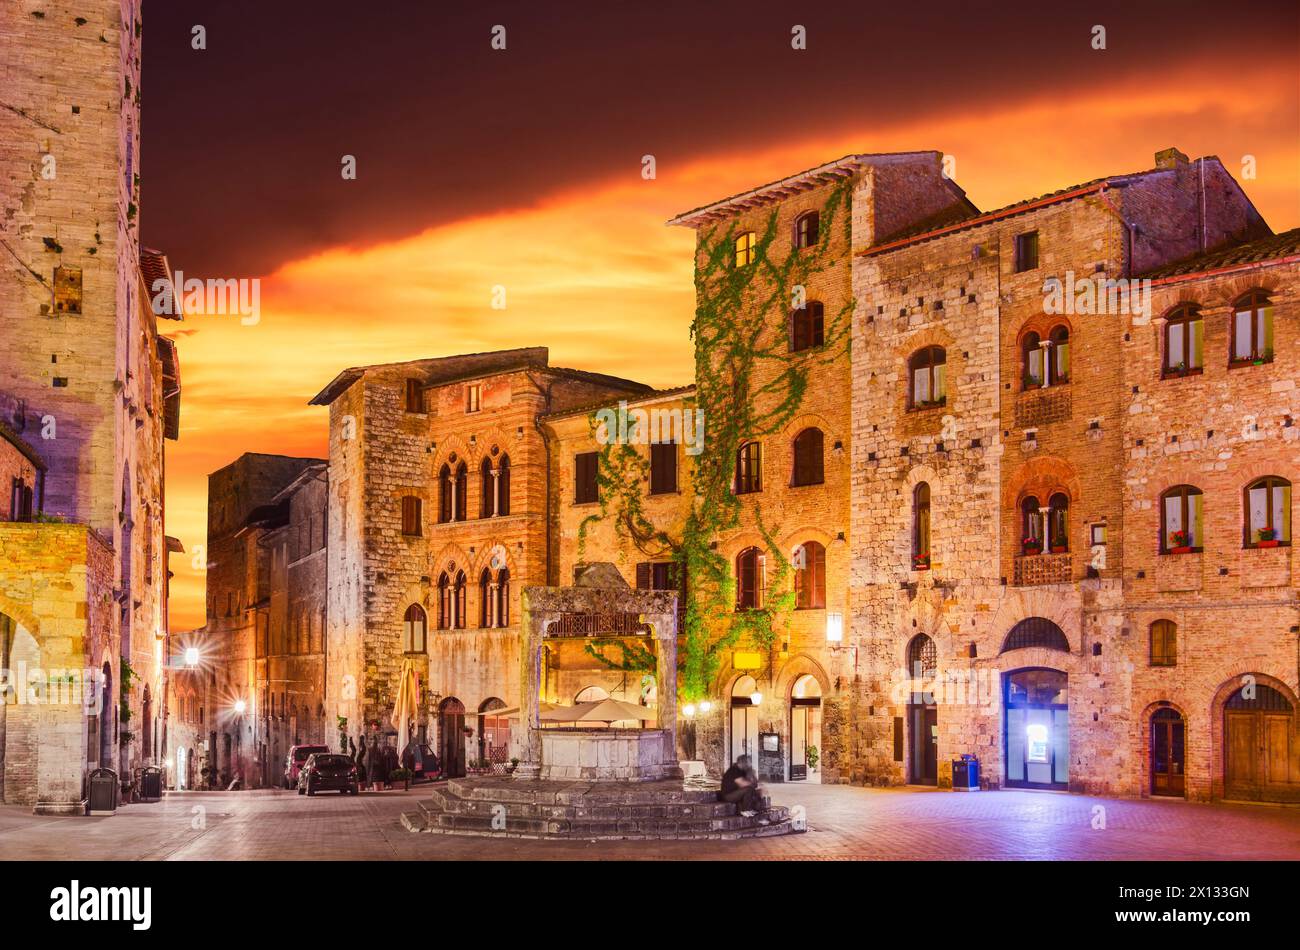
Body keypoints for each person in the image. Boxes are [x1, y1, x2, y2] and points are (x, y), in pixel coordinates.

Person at [719, 754, 769, 824]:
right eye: (748, 762)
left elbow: (754, 784)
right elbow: (743, 784)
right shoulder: (734, 770)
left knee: (757, 793)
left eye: (750, 763)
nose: (749, 764)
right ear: (743, 762)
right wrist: (753, 784)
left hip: (737, 793)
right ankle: (745, 810)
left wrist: (752, 773)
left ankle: (760, 817)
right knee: (749, 789)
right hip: (728, 795)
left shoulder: (743, 771)